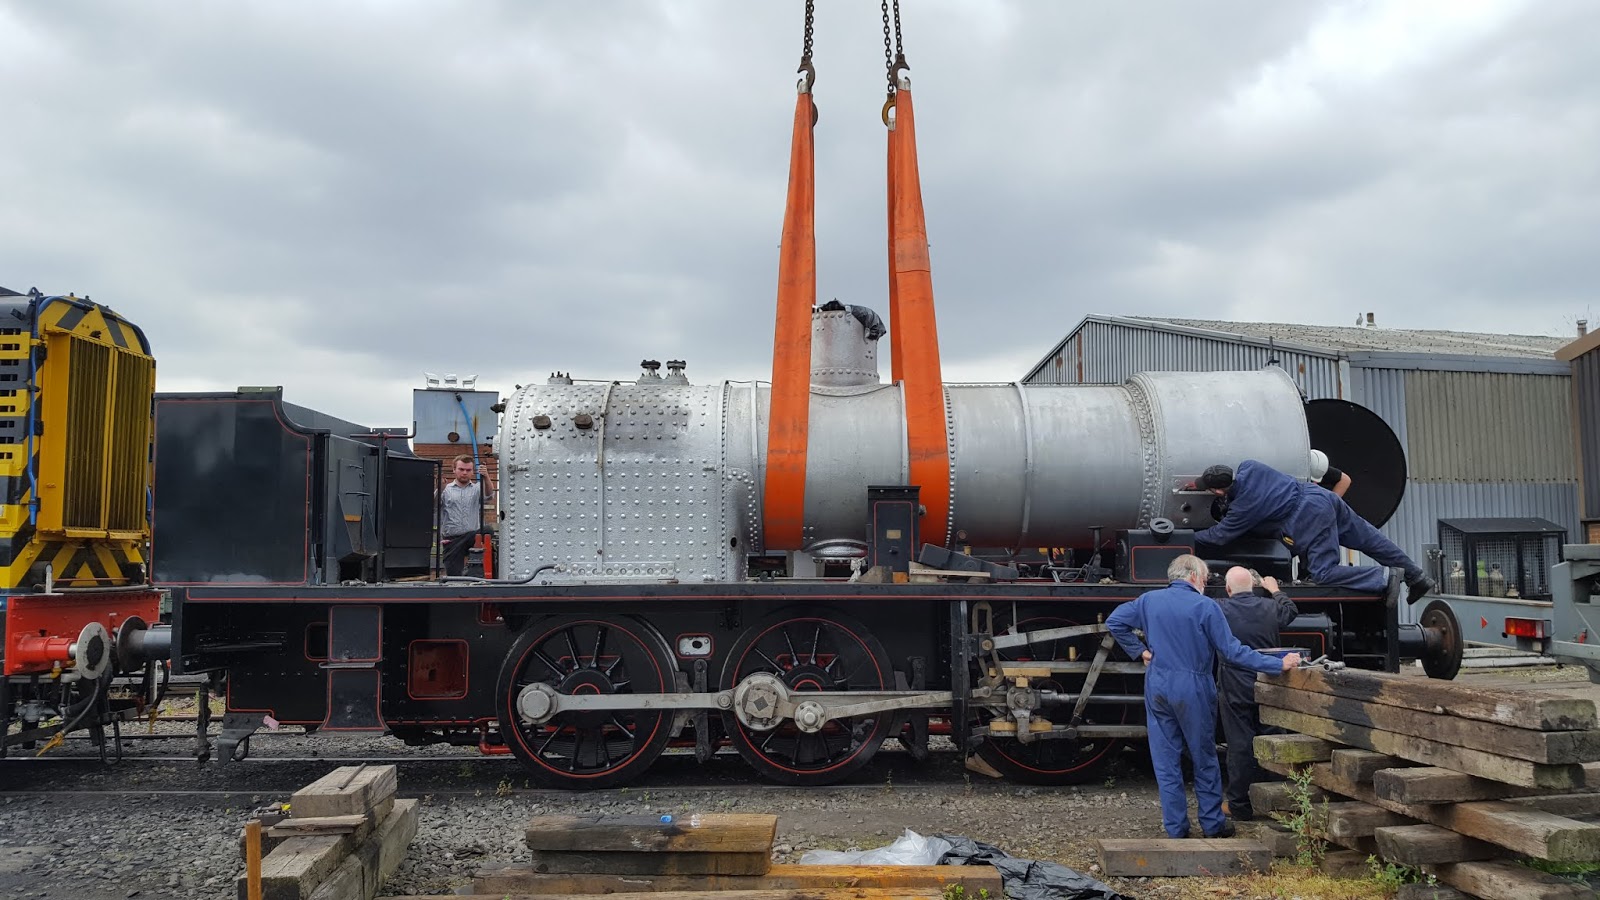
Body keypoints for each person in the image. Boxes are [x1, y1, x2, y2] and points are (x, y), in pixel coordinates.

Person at [1107, 555, 1301, 839]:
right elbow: (1233, 652)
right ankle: (1212, 824)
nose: (1207, 583)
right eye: (1206, 578)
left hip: (1158, 683)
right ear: (1195, 576)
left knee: (1165, 761)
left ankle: (1175, 829)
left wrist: (1140, 651)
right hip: (1193, 685)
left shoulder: (1149, 601)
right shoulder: (1205, 607)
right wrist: (1276, 664)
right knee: (1204, 757)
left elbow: (1115, 622)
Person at [1192, 458, 1435, 602]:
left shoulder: (1243, 509)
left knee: (1322, 573)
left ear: (1219, 492)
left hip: (1305, 518)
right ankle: (1416, 575)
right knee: (1370, 539)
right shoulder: (1249, 466)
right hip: (1318, 496)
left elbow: (1219, 536)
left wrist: (1188, 538)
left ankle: (1383, 577)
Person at [1217, 566, 1299, 822]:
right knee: (1274, 740)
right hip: (1268, 680)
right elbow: (1290, 611)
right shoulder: (1270, 607)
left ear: (1228, 589)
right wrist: (1275, 590)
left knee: (1240, 744)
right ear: (1254, 587)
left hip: (1235, 683)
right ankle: (1282, 805)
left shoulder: (1220, 607)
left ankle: (1239, 805)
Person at [438, 455, 488, 577]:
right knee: (453, 577)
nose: (464, 473)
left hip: (472, 538)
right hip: (452, 540)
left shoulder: (477, 488)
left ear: (472, 472)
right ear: (454, 470)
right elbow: (433, 506)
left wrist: (486, 477)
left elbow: (489, 495)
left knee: (488, 530)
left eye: (468, 470)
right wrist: (438, 489)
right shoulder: (446, 490)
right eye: (461, 469)